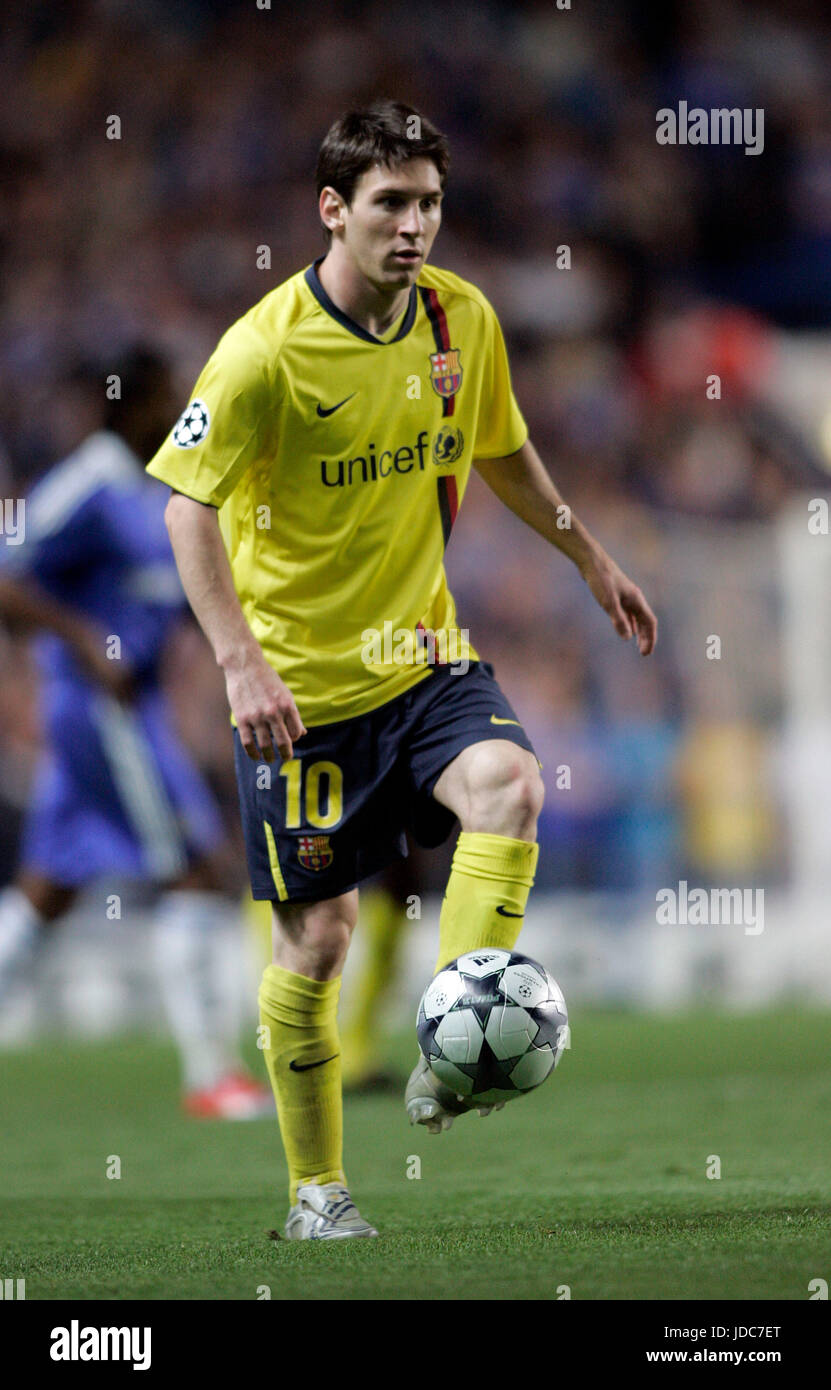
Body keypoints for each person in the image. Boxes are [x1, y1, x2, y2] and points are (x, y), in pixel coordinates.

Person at [147, 101, 657, 1240]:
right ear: (332, 210)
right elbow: (187, 510)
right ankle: (316, 1194)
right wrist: (238, 665)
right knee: (317, 941)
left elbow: (503, 445)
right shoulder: (265, 349)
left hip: (423, 658)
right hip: (302, 695)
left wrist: (589, 553)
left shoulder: (459, 318)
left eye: (429, 201)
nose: (416, 223)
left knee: (511, 786)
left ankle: (451, 1036)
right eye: (391, 203)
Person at [0, 349, 272, 1119]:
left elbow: (172, 589)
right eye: (163, 400)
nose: (176, 411)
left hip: (130, 707)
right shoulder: (83, 485)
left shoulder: (154, 487)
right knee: (195, 866)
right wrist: (86, 643)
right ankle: (210, 1075)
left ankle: (211, 1070)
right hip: (101, 709)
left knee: (50, 890)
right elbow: (7, 578)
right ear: (125, 406)